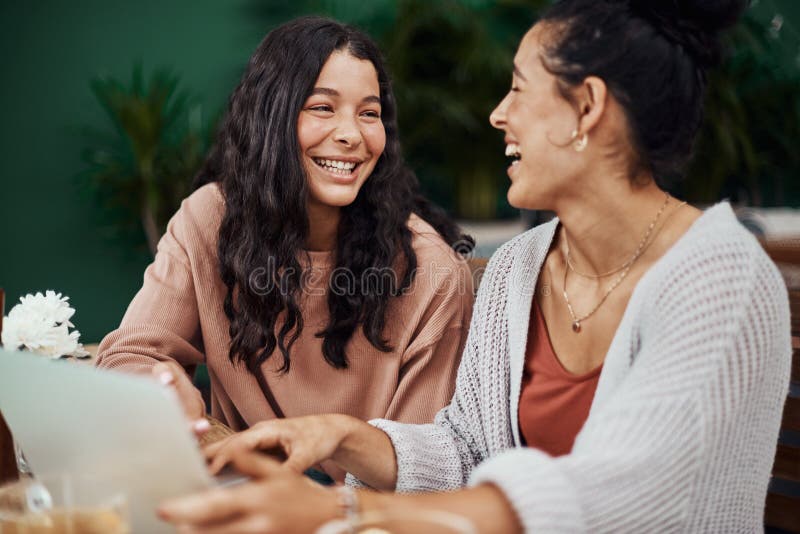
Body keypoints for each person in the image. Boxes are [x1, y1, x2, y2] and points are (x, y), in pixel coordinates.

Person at [158, 1, 793, 532]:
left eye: (518, 88)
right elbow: (464, 450)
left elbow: (621, 493)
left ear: (587, 107)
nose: (498, 114)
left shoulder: (720, 280)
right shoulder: (519, 268)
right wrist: (336, 436)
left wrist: (340, 507)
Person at [96, 16, 475, 481]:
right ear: (272, 116)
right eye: (322, 107)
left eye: (369, 113)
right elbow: (128, 353)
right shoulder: (208, 219)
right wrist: (156, 382)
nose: (351, 134)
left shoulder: (432, 274)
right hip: (237, 503)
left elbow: (423, 474)